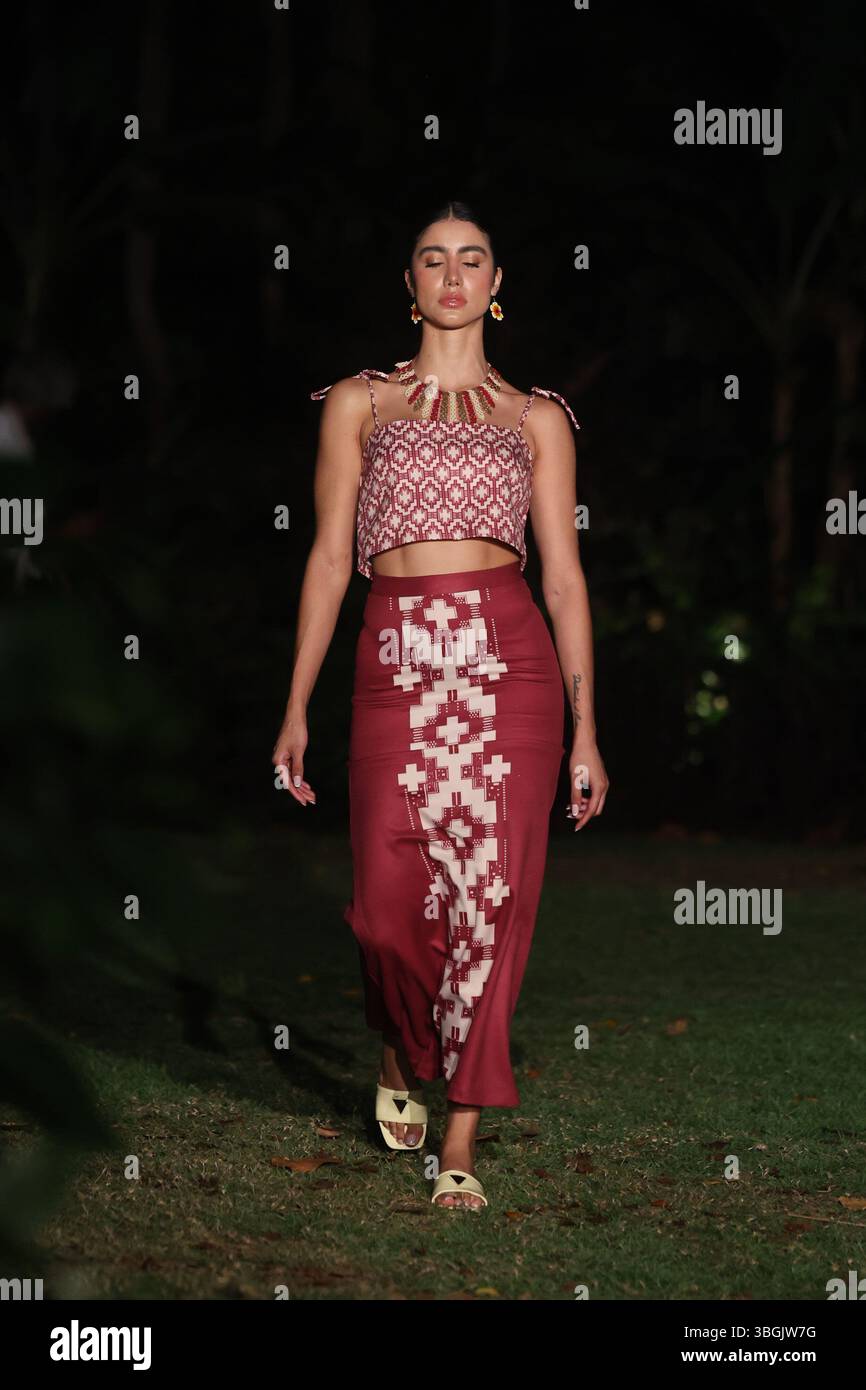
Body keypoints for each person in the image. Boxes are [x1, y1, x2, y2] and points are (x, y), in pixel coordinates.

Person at [272, 200, 608, 1210]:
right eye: (431, 259)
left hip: (510, 662)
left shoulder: (535, 417)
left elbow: (563, 580)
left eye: (471, 259)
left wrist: (586, 729)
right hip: (395, 654)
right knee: (384, 907)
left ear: (496, 286)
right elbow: (331, 557)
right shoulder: (357, 404)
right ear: (407, 284)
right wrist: (294, 707)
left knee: (490, 899)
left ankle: (458, 1137)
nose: (452, 274)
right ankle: (396, 1048)